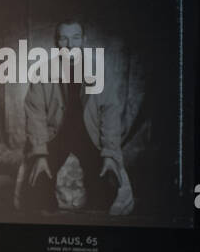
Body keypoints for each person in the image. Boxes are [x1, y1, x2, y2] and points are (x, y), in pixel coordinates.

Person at [17, 21, 133, 217]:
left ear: (84, 40)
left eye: (76, 37)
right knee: (36, 191)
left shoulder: (99, 69)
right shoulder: (43, 70)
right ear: (56, 42)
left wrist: (109, 154)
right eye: (64, 38)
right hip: (56, 137)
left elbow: (111, 113)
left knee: (107, 188)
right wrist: (40, 155)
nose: (70, 45)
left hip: (90, 137)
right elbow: (35, 114)